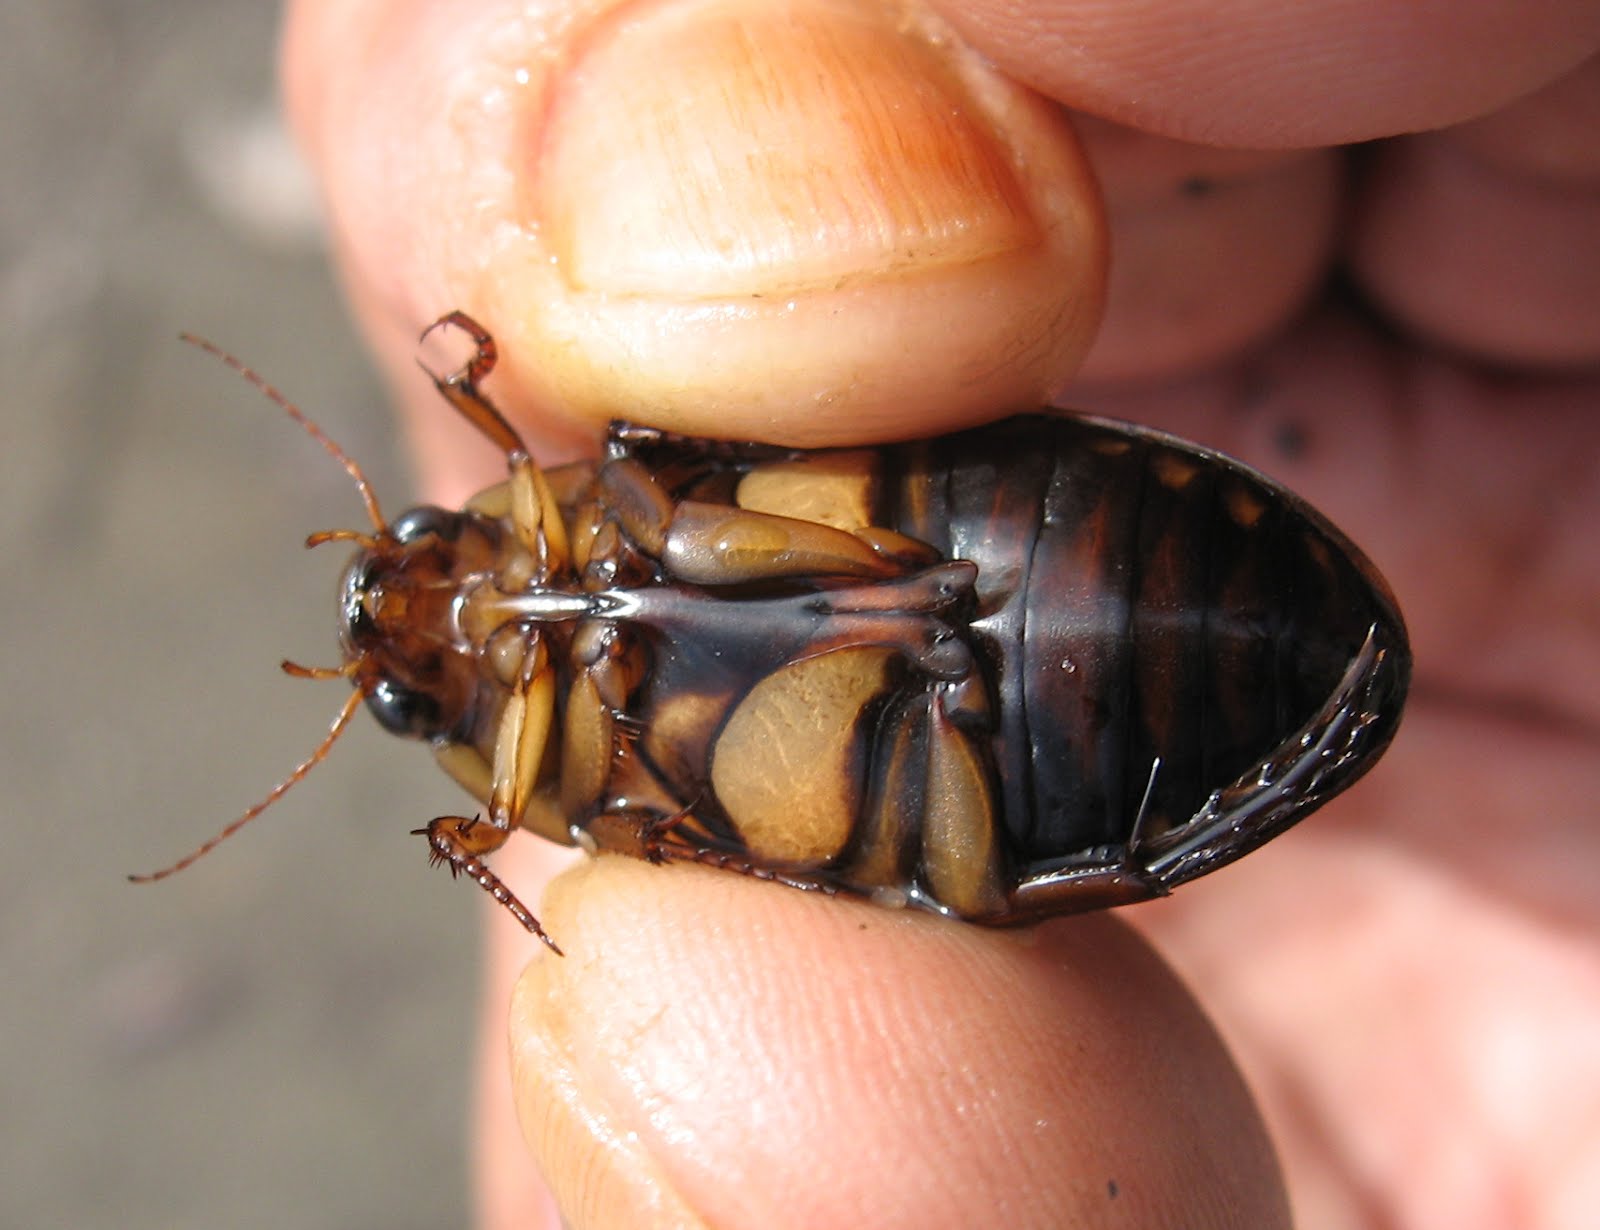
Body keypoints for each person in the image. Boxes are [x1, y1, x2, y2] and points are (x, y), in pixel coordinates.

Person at [281, 2, 1600, 1226]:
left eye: (424, 553)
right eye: (414, 684)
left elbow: (610, 453)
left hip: (1030, 545)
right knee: (953, 867)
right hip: (981, 739)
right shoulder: (561, 787)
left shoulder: (579, 483)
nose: (455, 618)